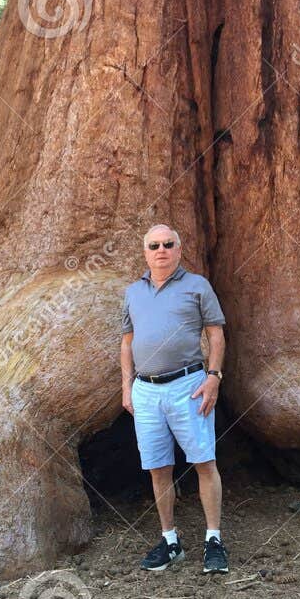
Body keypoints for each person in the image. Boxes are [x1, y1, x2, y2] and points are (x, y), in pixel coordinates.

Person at [121, 223, 229, 574]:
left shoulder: (197, 286)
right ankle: (170, 542)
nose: (161, 250)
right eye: (154, 245)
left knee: (203, 460)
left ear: (179, 250)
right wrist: (127, 386)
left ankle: (214, 540)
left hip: (189, 385)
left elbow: (216, 335)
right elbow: (127, 343)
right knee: (158, 468)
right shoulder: (133, 292)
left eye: (168, 244)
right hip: (147, 390)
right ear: (146, 253)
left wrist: (213, 376)